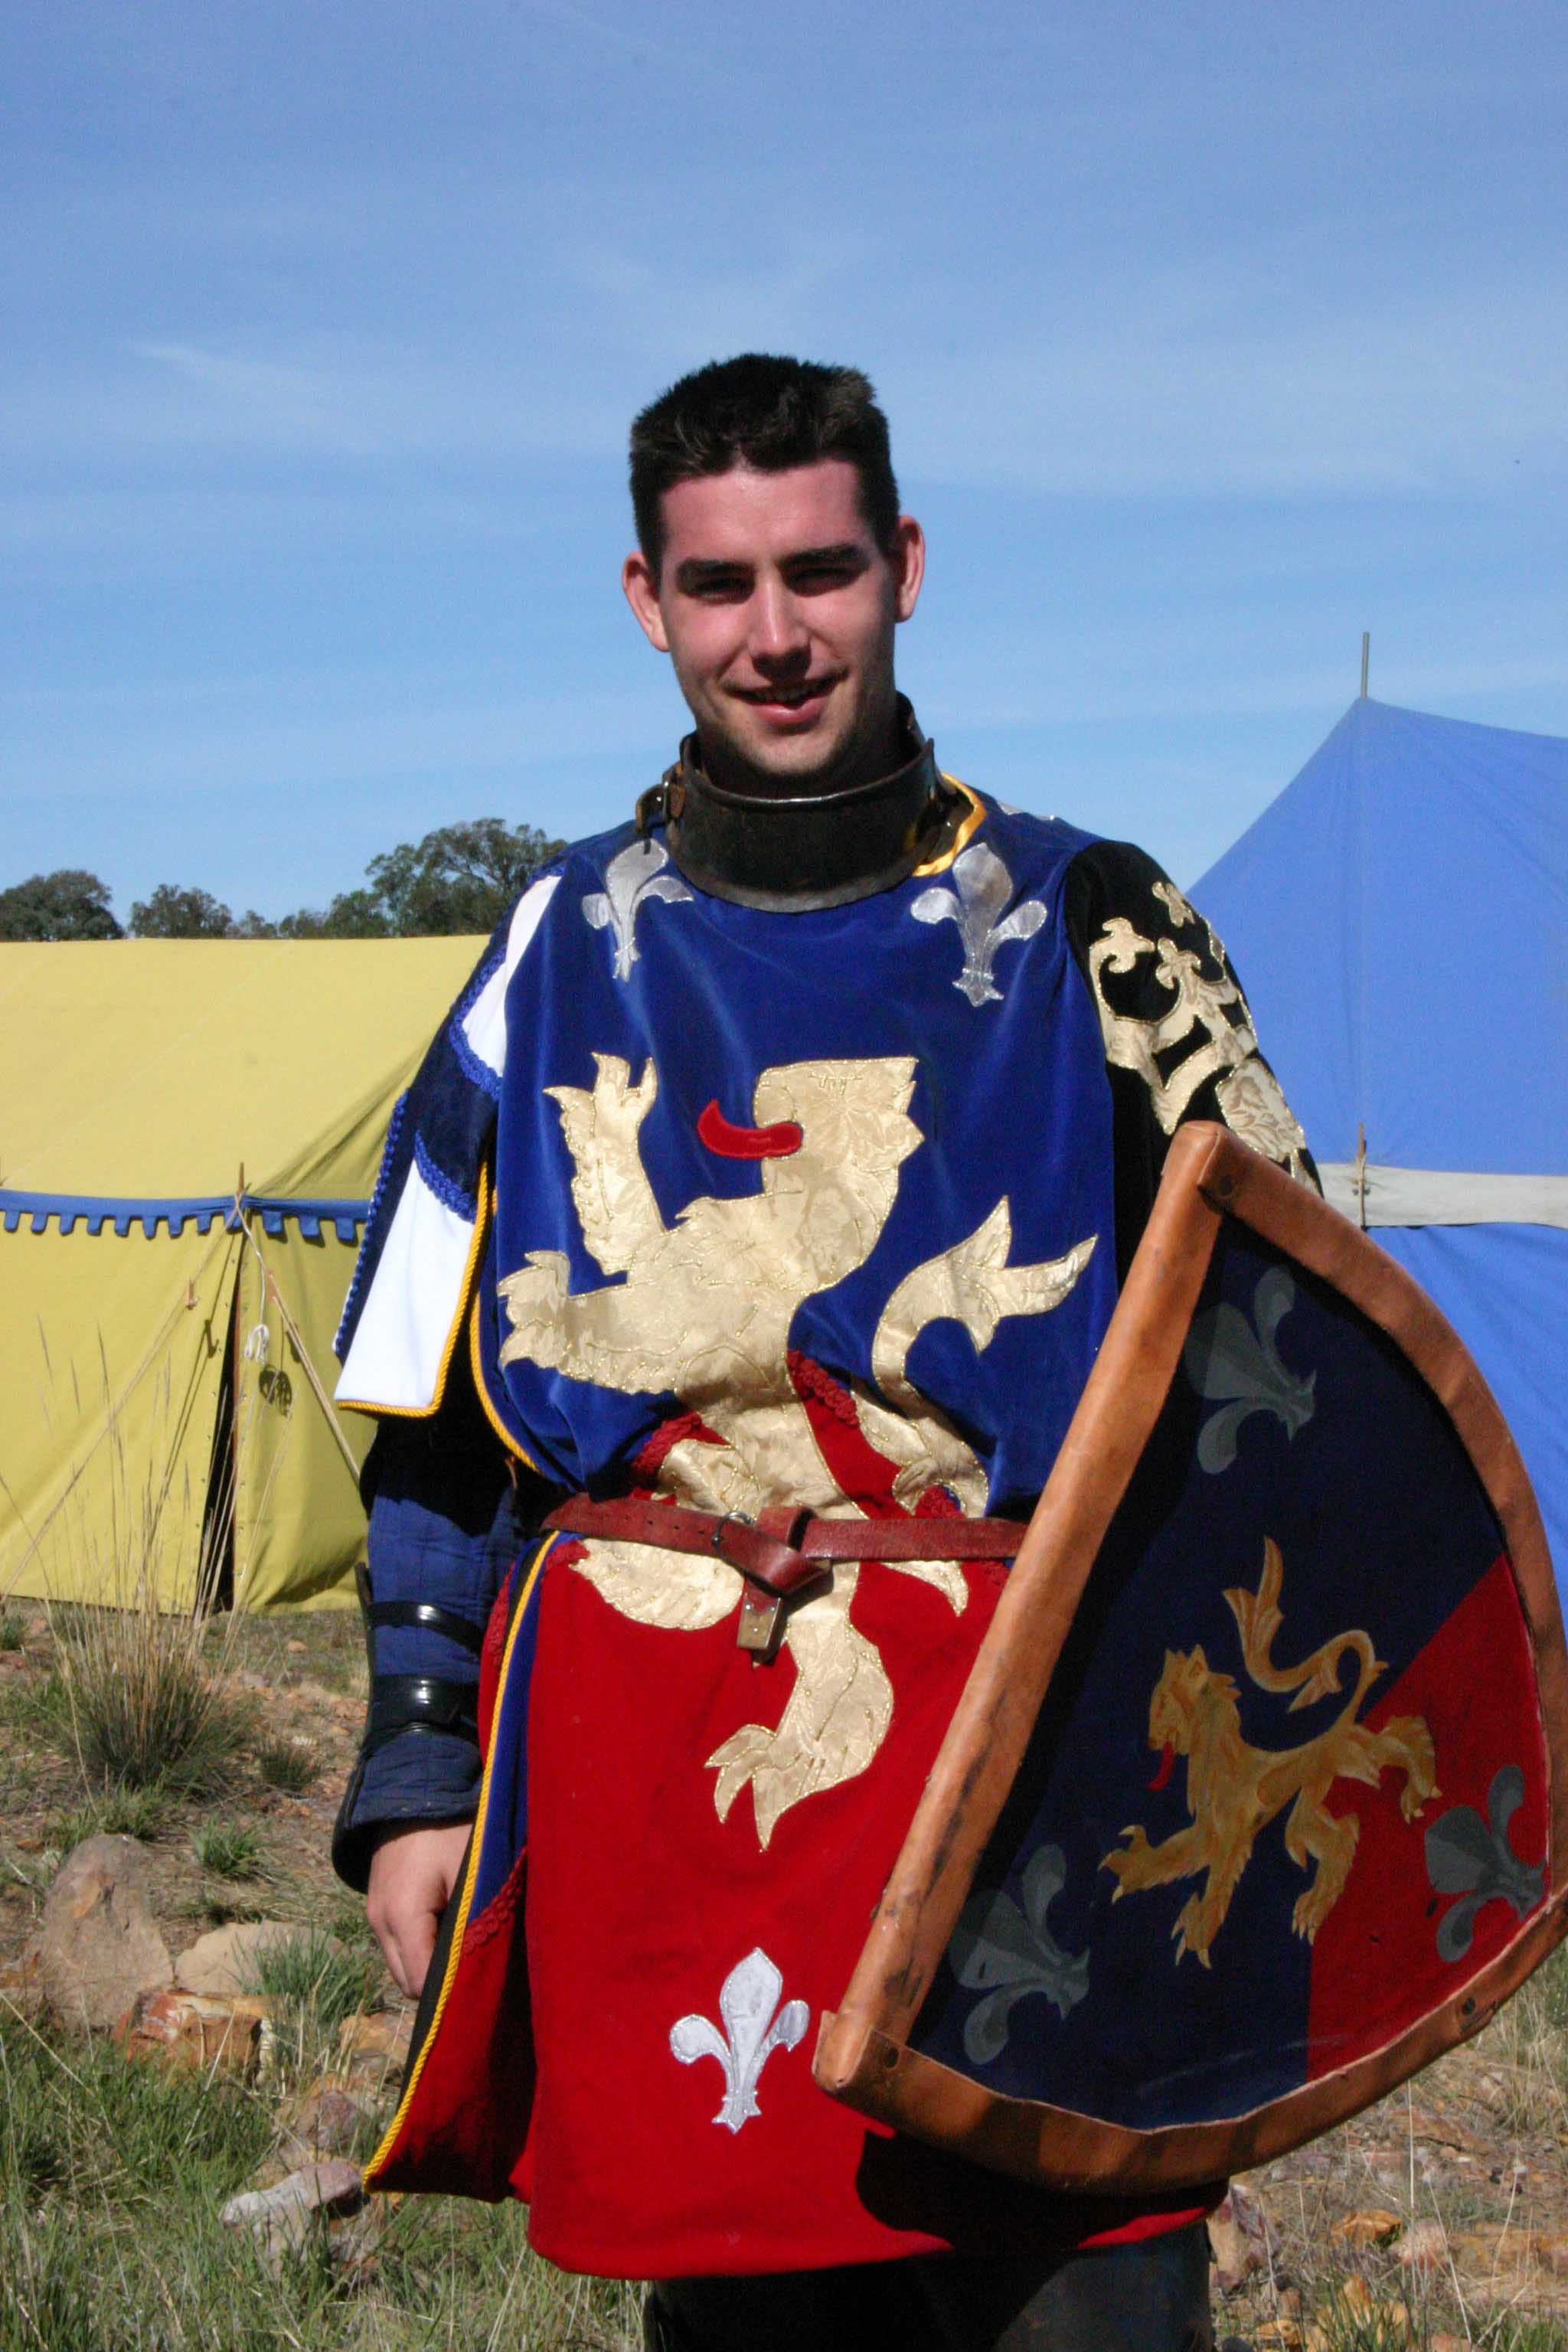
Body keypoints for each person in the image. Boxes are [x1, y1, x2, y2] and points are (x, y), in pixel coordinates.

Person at [332, 354, 1315, 2352]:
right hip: (669, 1787)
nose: (773, 635)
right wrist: (421, 1769)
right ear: (647, 600)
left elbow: (1299, 1383)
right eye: (719, 585)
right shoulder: (553, 953)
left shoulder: (1094, 929)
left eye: (820, 572)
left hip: (1031, 1780)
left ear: (902, 569)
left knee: (1085, 2315)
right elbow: (427, 1398)